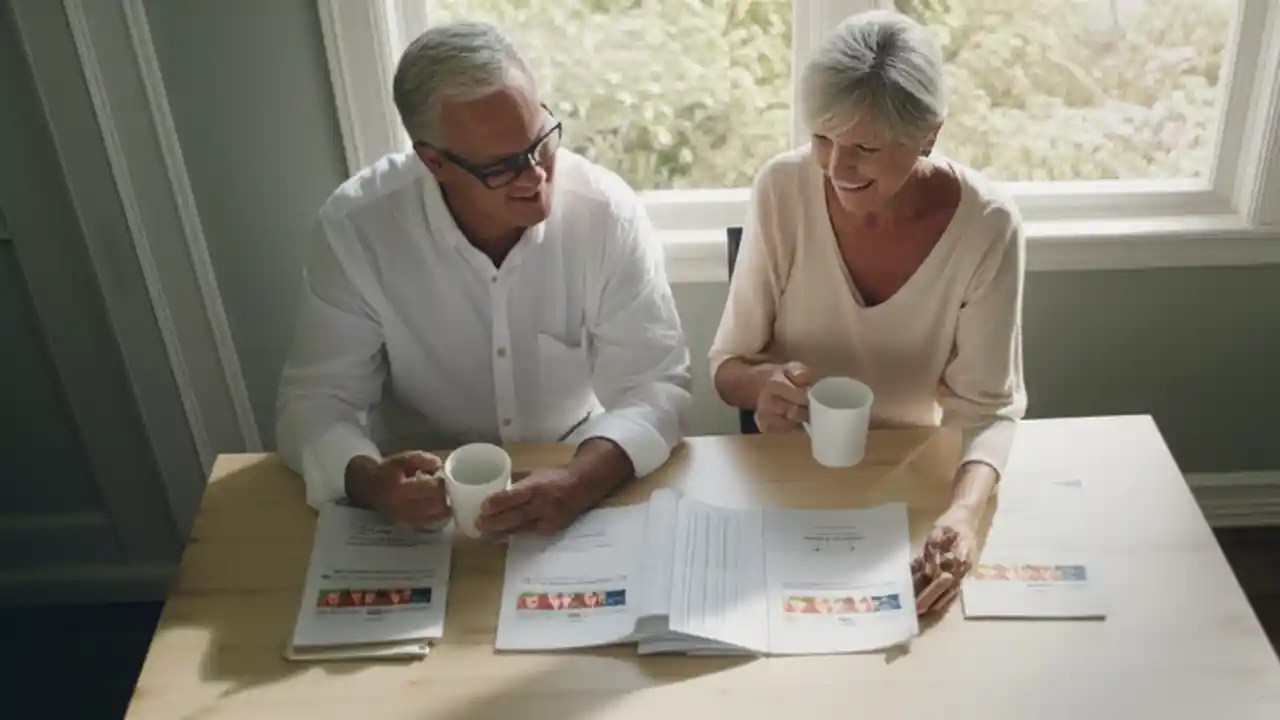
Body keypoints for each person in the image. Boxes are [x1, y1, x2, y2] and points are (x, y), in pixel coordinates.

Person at [277, 22, 691, 538]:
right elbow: (315, 401)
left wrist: (579, 481)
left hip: (575, 468)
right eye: (502, 166)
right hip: (420, 496)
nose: (536, 176)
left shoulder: (606, 213)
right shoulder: (357, 228)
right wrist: (368, 481)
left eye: (540, 142)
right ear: (433, 162)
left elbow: (656, 386)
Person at [709, 10, 1026, 617]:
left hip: (911, 485)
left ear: (929, 134)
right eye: (822, 138)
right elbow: (727, 365)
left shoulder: (989, 226)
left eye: (864, 148)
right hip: (789, 484)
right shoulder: (781, 187)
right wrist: (759, 387)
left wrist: (962, 513)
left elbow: (988, 409)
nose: (834, 167)